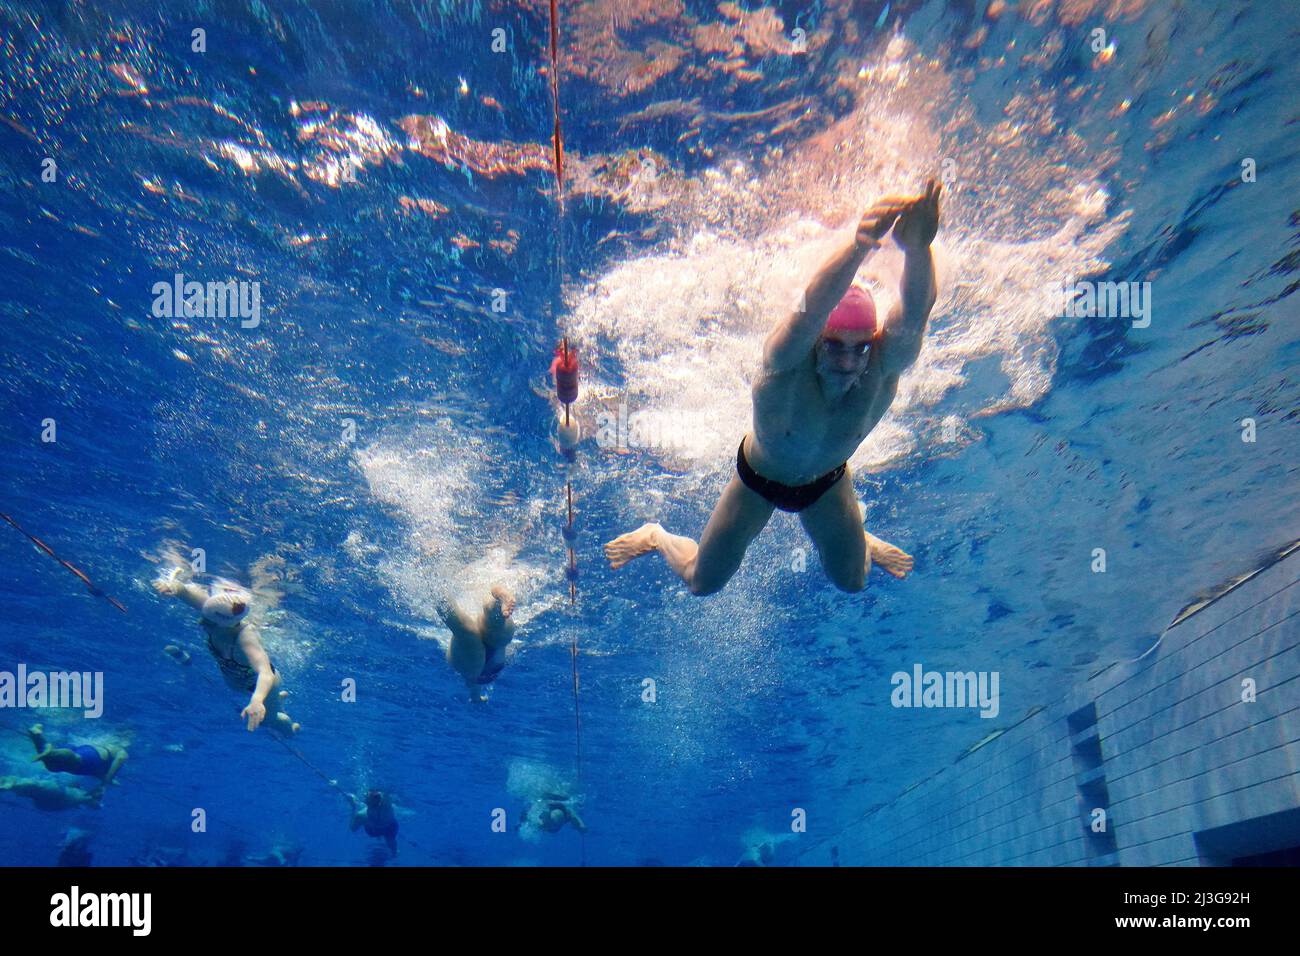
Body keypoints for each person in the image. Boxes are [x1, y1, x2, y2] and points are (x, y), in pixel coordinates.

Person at [605, 182, 943, 595]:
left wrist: (919, 250)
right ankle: (656, 535)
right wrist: (859, 247)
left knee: (853, 581)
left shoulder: (882, 370)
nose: (848, 360)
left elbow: (915, 316)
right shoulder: (786, 362)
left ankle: (861, 538)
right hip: (759, 481)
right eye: (834, 345)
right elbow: (811, 307)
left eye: (860, 349)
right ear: (817, 341)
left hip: (827, 483)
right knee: (700, 581)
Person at [153, 572, 300, 735]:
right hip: (241, 685)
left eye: (208, 622)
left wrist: (257, 701)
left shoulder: (244, 637)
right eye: (204, 616)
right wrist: (173, 587)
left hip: (265, 686)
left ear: (226, 624)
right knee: (266, 711)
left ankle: (289, 729)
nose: (201, 622)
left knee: (268, 722)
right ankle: (277, 702)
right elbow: (185, 592)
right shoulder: (216, 611)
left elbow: (265, 673)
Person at [432, 585, 516, 702]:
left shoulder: (473, 683)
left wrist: (476, 698)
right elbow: (473, 688)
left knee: (468, 631)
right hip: (486, 666)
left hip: (487, 669)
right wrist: (475, 698)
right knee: (472, 628)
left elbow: (473, 688)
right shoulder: (472, 683)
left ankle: (433, 585)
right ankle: (434, 587)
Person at [27, 723, 127, 786]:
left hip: (81, 750)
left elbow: (100, 774)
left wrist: (109, 781)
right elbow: (121, 758)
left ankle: (37, 735)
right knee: (73, 760)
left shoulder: (107, 746)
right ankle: (51, 750)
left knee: (54, 765)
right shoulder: (121, 750)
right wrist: (106, 782)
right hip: (93, 758)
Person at [0, 775, 100, 811]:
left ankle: (9, 784)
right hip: (58, 794)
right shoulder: (81, 797)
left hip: (56, 796)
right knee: (36, 786)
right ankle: (9, 784)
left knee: (36, 787)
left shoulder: (79, 799)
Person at [347, 789, 398, 855]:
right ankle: (394, 853)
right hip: (384, 828)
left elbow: (353, 828)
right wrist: (353, 807)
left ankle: (394, 852)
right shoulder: (387, 806)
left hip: (376, 830)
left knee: (391, 843)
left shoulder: (361, 815)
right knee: (392, 844)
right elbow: (352, 828)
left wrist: (353, 807)